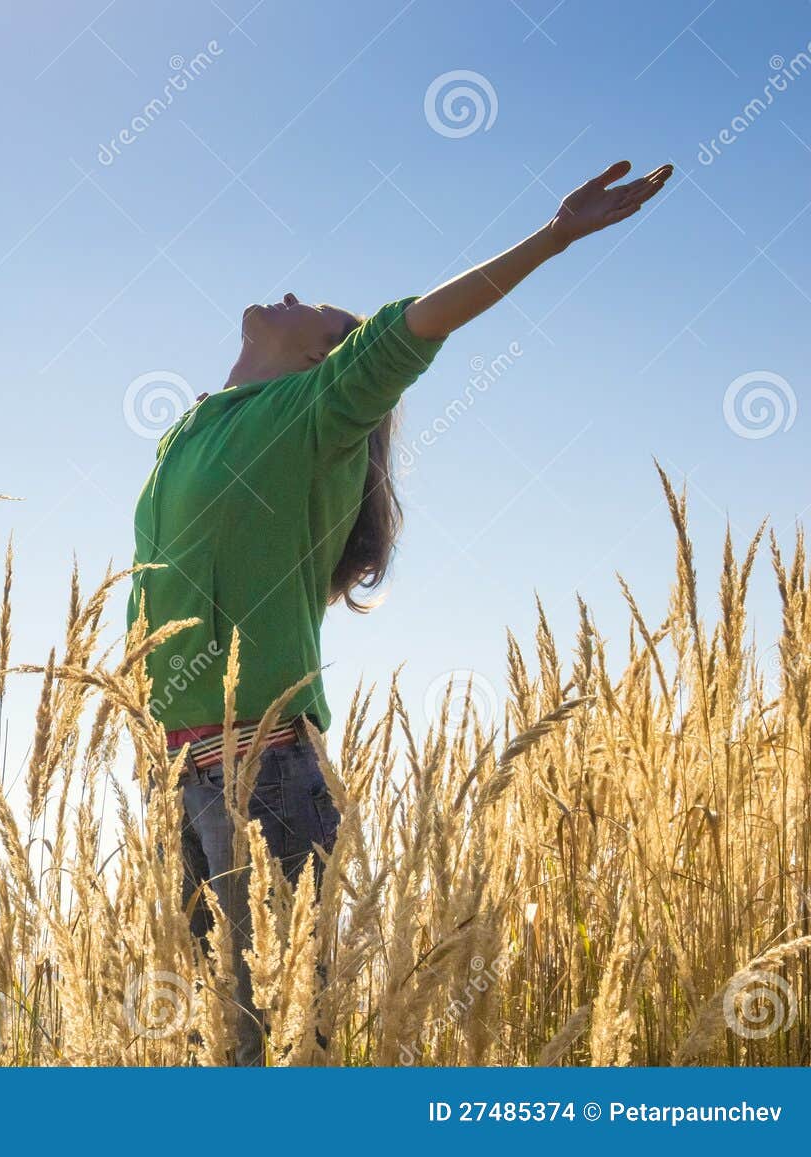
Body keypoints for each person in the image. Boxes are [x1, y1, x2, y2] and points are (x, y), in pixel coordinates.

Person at [127, 159, 673, 1065]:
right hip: (177, 777)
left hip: (264, 777)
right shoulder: (187, 430)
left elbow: (417, 326)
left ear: (327, 356)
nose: (298, 291)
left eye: (331, 314)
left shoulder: (315, 412)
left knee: (287, 1044)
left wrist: (555, 234)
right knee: (214, 1049)